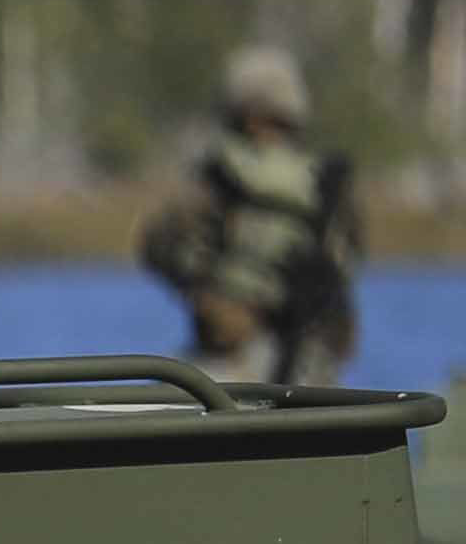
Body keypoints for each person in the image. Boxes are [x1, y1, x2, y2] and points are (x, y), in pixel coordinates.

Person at [141, 45, 362, 389]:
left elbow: (157, 246)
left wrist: (203, 293)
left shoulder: (219, 175)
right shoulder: (323, 184)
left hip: (226, 360)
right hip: (311, 369)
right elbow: (346, 268)